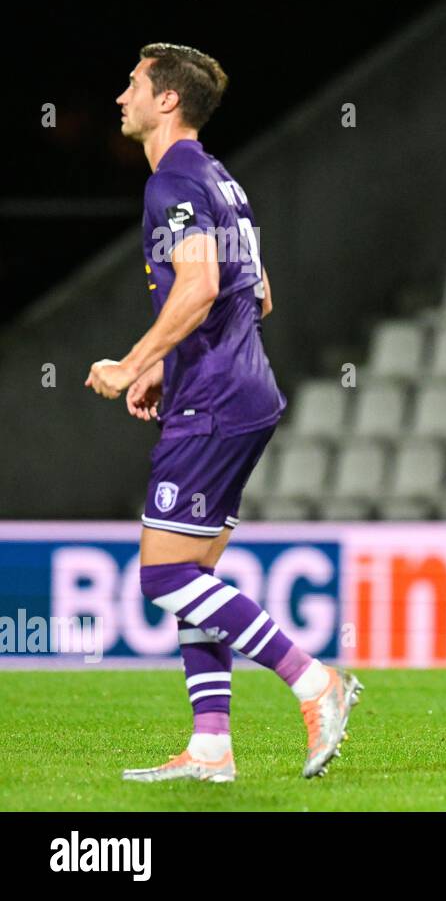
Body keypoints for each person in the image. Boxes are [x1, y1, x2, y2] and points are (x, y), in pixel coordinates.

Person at [87, 43, 361, 782]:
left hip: (216, 399)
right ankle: (211, 748)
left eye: (133, 83)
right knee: (193, 573)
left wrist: (137, 362)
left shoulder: (174, 177)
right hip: (237, 390)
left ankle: (315, 681)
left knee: (163, 575)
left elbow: (202, 285)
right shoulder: (220, 178)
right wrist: (173, 366)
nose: (121, 96)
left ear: (166, 100)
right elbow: (259, 290)